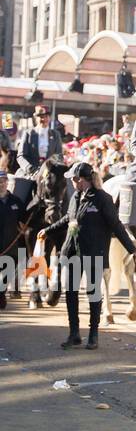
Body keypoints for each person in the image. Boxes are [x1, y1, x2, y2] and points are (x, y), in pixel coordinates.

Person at [40, 162, 136, 350]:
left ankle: (93, 334)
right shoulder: (75, 197)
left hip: (94, 252)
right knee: (71, 293)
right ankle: (74, 333)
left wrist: (131, 249)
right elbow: (67, 219)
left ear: (81, 180)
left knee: (93, 293)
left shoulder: (103, 199)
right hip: (72, 251)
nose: (70, 181)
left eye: (73, 178)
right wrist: (48, 230)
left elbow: (116, 225)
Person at [0, 170, 25, 309]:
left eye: (3, 182)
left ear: (7, 183)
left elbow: (24, 219)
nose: (1, 185)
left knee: (8, 272)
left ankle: (1, 293)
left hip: (11, 246)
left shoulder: (16, 201)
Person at [18, 105, 64, 175]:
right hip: (31, 172)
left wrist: (52, 168)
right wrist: (29, 168)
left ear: (50, 118)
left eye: (46, 116)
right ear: (36, 118)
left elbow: (59, 155)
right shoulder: (28, 133)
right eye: (41, 117)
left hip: (49, 172)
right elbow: (21, 156)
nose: (44, 119)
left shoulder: (55, 134)